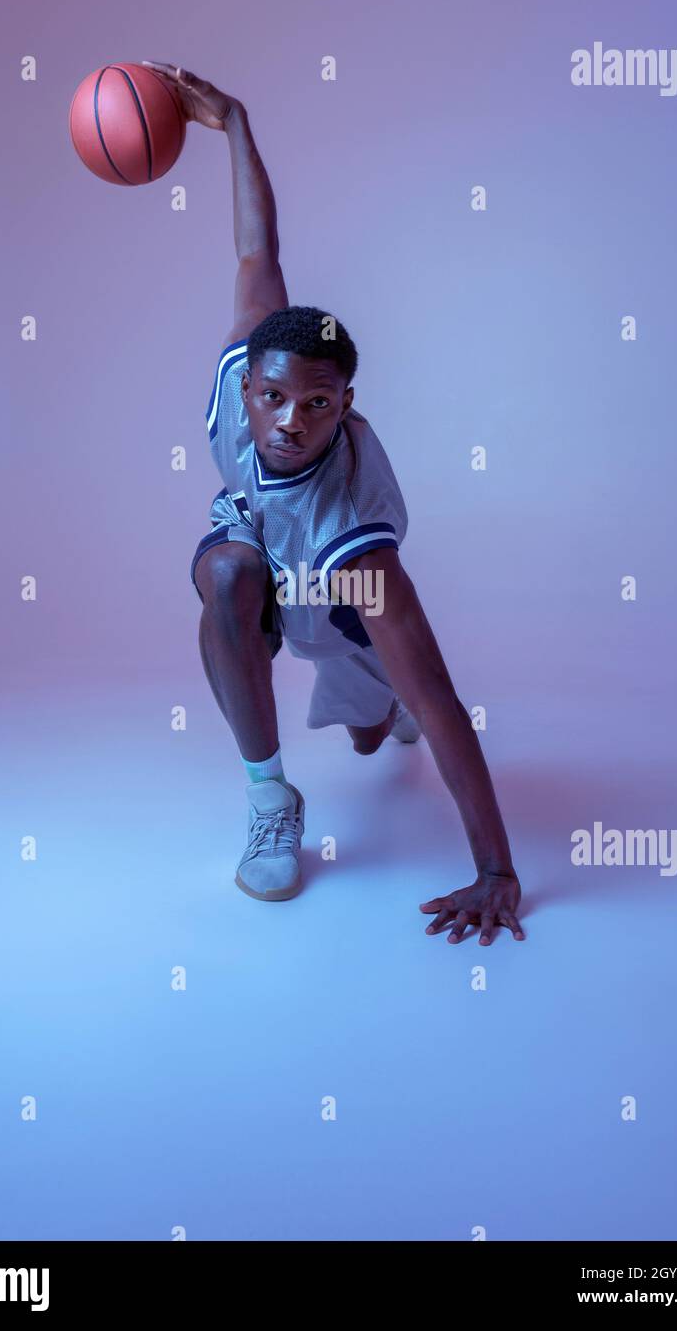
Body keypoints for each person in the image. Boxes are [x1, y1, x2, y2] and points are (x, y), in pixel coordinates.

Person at [142, 61, 525, 947]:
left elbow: (441, 697)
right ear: (249, 387)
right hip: (262, 549)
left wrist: (497, 870)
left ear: (345, 406)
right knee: (229, 573)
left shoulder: (360, 550)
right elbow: (256, 251)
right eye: (275, 399)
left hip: (329, 592)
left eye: (317, 405)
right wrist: (233, 120)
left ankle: (366, 710)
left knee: (379, 727)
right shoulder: (255, 364)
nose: (289, 421)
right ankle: (270, 797)